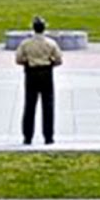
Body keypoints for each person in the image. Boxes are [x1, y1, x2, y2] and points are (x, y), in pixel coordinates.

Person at [15, 15, 62, 145]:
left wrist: (28, 62)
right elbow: (58, 60)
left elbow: (18, 59)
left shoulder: (26, 44)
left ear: (33, 28)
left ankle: (27, 136)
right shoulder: (50, 43)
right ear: (44, 28)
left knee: (29, 106)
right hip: (46, 73)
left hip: (31, 74)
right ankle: (48, 136)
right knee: (48, 106)